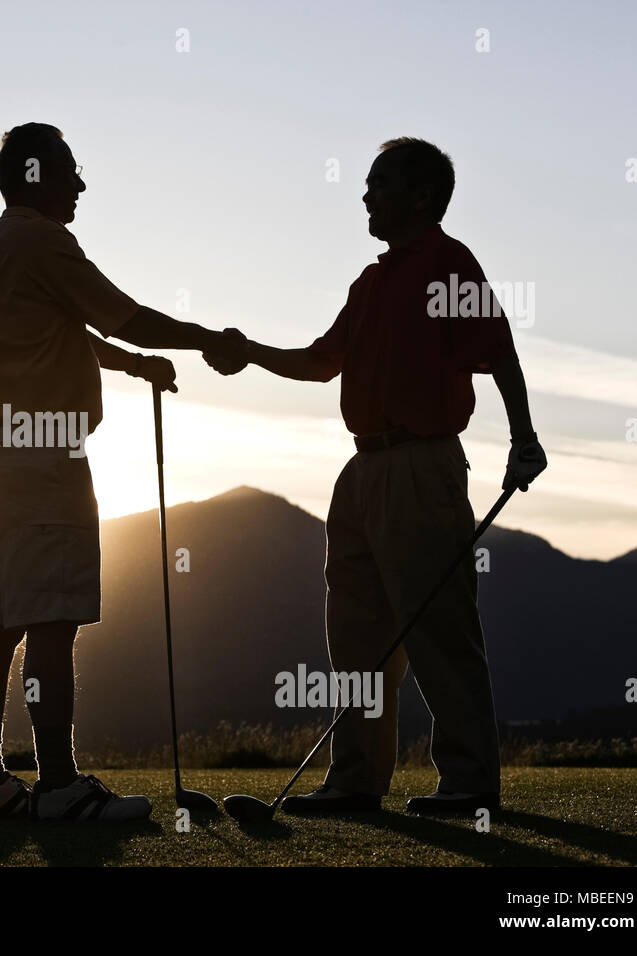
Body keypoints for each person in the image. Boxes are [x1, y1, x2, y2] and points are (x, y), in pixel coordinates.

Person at [210, 138, 547, 817]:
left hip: (423, 462)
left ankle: (470, 782)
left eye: (379, 183)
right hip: (361, 468)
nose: (365, 195)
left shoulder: (448, 263)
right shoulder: (371, 281)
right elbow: (320, 361)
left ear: (419, 195)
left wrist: (525, 437)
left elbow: (496, 349)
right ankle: (355, 782)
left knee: (439, 628)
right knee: (358, 631)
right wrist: (249, 353)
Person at [0, 122, 246, 822]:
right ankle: (58, 786)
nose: (81, 184)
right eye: (69, 171)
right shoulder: (43, 239)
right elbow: (122, 316)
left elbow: (69, 329)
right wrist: (207, 339)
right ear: (36, 176)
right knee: (53, 623)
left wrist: (132, 366)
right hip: (42, 461)